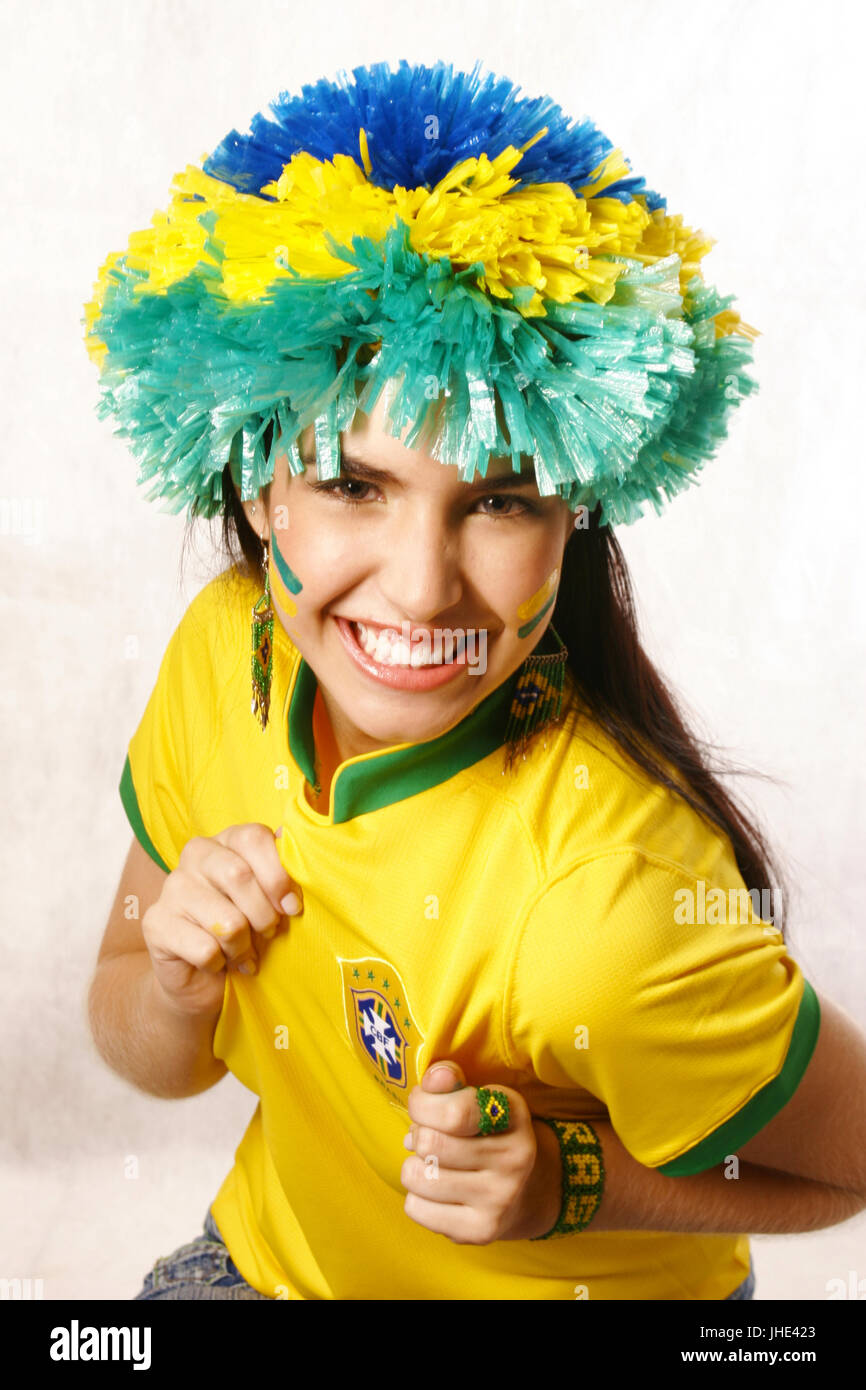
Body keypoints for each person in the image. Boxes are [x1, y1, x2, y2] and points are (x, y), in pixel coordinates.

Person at [84, 59, 866, 1301]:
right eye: (353, 485)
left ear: (573, 521)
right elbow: (134, 1031)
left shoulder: (611, 906)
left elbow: (851, 1163)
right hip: (275, 1270)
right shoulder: (223, 648)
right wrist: (178, 986)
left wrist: (577, 1180)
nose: (418, 588)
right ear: (255, 480)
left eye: (497, 500)